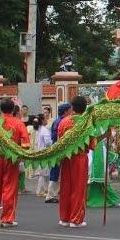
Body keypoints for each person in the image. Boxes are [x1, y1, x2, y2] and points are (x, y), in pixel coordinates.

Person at [0, 98, 30, 228]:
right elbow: (26, 144)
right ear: (13, 109)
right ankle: (7, 219)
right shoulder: (18, 123)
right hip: (11, 159)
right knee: (10, 188)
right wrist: (19, 155)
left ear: (0, 109)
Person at [58, 96, 92, 228]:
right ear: (85, 109)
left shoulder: (64, 122)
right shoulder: (86, 123)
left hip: (66, 158)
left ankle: (64, 218)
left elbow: (59, 142)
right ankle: (76, 218)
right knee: (78, 189)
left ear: (72, 107)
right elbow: (91, 144)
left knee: (66, 187)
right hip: (79, 158)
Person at [45, 103, 71, 203]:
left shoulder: (56, 121)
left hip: (56, 148)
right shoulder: (63, 122)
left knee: (55, 171)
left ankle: (52, 194)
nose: (71, 112)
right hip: (60, 150)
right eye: (70, 110)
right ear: (65, 112)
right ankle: (51, 195)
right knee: (56, 172)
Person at [34, 113, 52, 197]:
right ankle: (42, 191)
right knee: (44, 172)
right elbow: (48, 142)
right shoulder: (44, 130)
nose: (46, 120)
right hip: (44, 152)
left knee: (42, 172)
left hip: (38, 151)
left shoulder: (37, 129)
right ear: (42, 120)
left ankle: (43, 190)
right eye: (45, 119)